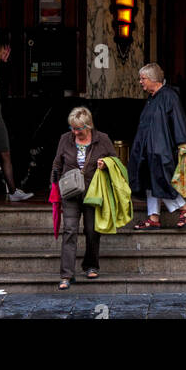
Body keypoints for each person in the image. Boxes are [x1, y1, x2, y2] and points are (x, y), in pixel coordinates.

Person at [128, 63, 186, 230]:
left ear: (153, 79)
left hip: (162, 150)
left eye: (143, 79)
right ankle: (153, 217)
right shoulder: (153, 97)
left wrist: (182, 144)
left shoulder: (169, 96)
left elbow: (178, 121)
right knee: (151, 181)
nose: (140, 82)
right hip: (149, 151)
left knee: (161, 181)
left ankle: (185, 208)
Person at [50, 106, 116, 289]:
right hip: (70, 193)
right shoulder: (65, 139)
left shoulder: (102, 139)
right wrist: (54, 186)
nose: (75, 132)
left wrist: (106, 164)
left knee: (92, 230)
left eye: (78, 128)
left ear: (88, 126)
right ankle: (66, 275)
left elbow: (116, 162)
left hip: (93, 193)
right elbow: (57, 163)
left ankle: (91, 265)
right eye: (73, 128)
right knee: (69, 230)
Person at [0, 31, 32, 202]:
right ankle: (10, 190)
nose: (6, 53)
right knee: (2, 153)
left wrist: (3, 64)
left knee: (5, 153)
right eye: (3, 50)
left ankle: (12, 190)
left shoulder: (1, 68)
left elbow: (4, 90)